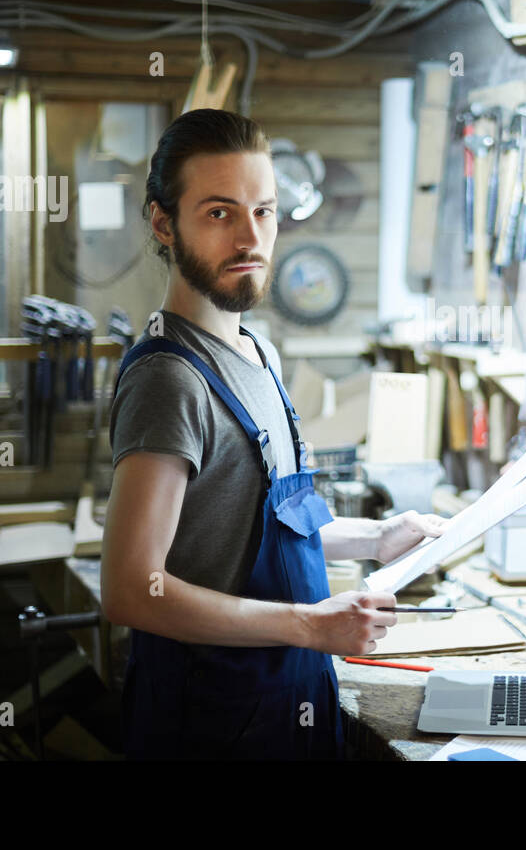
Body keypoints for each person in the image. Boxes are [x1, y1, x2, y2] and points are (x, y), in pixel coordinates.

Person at [102, 109, 445, 760]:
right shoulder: (170, 380)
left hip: (288, 697)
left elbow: (258, 522)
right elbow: (128, 589)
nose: (250, 237)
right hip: (211, 720)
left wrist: (375, 537)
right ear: (162, 222)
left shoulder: (259, 355)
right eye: (219, 213)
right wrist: (309, 625)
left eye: (264, 212)